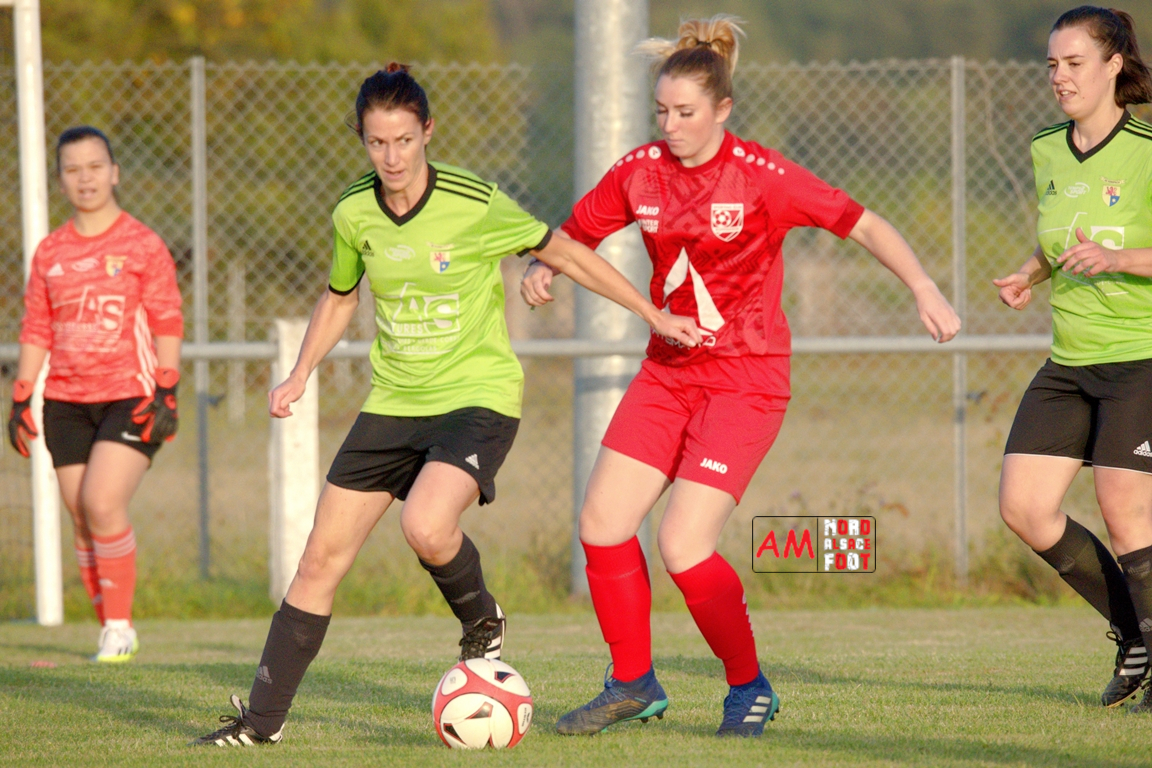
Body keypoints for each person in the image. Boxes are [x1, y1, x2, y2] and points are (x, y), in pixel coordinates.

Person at [192, 64, 697, 748]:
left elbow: (568, 254)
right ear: (363, 141)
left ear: (427, 132)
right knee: (320, 561)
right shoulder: (353, 212)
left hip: (477, 398)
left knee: (427, 525)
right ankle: (260, 724)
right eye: (377, 143)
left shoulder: (475, 201)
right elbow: (341, 296)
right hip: (394, 401)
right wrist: (299, 373)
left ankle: (481, 622)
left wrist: (651, 313)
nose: (392, 158)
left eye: (403, 140)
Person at [522, 15, 960, 737]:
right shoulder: (640, 170)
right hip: (667, 374)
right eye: (661, 112)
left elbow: (866, 224)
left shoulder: (763, 178)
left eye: (686, 113)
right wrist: (545, 263)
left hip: (745, 381)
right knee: (601, 524)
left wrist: (922, 285)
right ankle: (631, 682)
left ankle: (748, 687)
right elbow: (577, 232)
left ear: (723, 109)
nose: (671, 126)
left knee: (683, 545)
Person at [993, 5, 1152, 714]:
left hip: (1140, 355)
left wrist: (1120, 259)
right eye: (1052, 64)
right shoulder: (1046, 148)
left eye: (1074, 63)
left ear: (1115, 64)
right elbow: (1062, 239)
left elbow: (1111, 246)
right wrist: (1031, 273)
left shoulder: (1147, 146)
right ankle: (1135, 631)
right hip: (1070, 360)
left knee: (1126, 513)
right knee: (1024, 508)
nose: (1059, 76)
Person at [8, 126, 184, 663]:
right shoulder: (50, 253)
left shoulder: (141, 244)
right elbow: (37, 325)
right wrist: (20, 395)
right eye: (72, 169)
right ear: (60, 179)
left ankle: (120, 628)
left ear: (114, 173)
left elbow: (167, 316)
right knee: (81, 517)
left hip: (129, 395)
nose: (84, 178)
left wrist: (168, 387)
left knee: (102, 503)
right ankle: (108, 626)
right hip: (64, 401)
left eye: (94, 166)